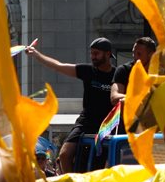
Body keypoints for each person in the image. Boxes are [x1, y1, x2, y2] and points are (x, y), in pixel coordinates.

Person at [26, 37, 115, 172]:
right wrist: (36, 54)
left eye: (96, 53)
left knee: (108, 160)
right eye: (91, 53)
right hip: (86, 121)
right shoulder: (87, 71)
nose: (93, 57)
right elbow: (59, 66)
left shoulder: (117, 74)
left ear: (108, 54)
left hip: (109, 123)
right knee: (64, 154)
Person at [110, 36, 156, 107]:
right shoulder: (123, 70)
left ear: (151, 55)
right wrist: (141, 98)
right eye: (133, 53)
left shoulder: (159, 72)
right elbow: (114, 98)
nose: (135, 57)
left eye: (139, 54)